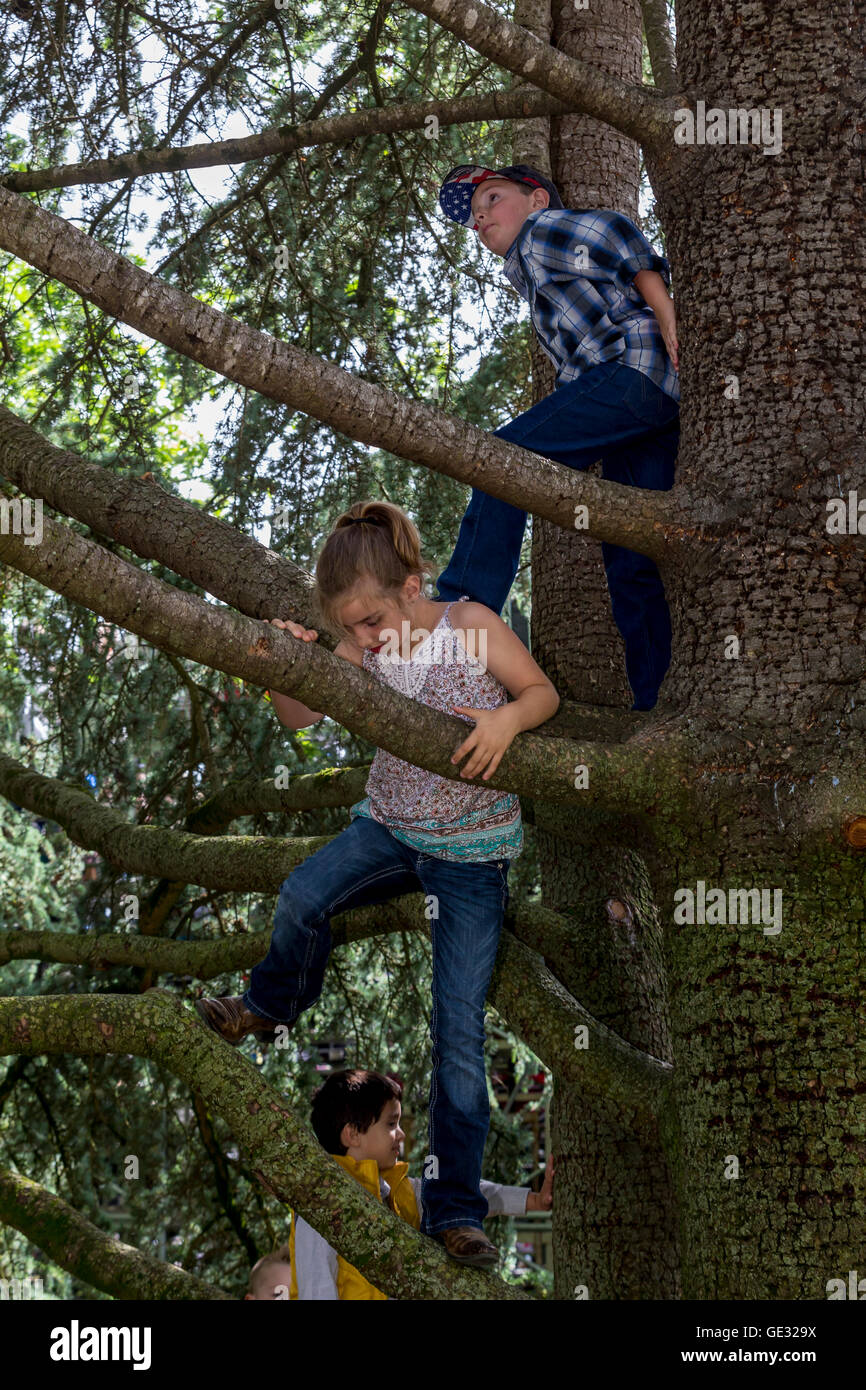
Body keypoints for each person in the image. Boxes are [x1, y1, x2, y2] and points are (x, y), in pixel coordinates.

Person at [196, 499, 560, 1267]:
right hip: (391, 828)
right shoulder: (365, 649)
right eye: (349, 627)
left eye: (368, 620)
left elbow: (540, 695)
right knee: (302, 894)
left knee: (458, 1035)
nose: (362, 638)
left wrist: (506, 724)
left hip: (468, 854)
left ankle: (457, 1214)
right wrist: (290, 660)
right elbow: (297, 714)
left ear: (412, 585)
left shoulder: (471, 628)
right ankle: (270, 1004)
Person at [436, 163, 681, 711]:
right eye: (474, 217)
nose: (481, 219)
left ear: (537, 198)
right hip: (645, 412)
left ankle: (459, 607)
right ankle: (657, 702)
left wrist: (667, 313)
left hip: (632, 375)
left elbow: (614, 234)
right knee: (632, 559)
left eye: (493, 199)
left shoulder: (543, 232)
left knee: (500, 460)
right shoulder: (531, 272)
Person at [288, 1069, 554, 1299]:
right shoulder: (321, 1205)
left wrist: (533, 1200)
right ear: (353, 1134)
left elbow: (460, 1195)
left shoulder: (398, 1190)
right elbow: (317, 1289)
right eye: (391, 1123)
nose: (402, 1134)